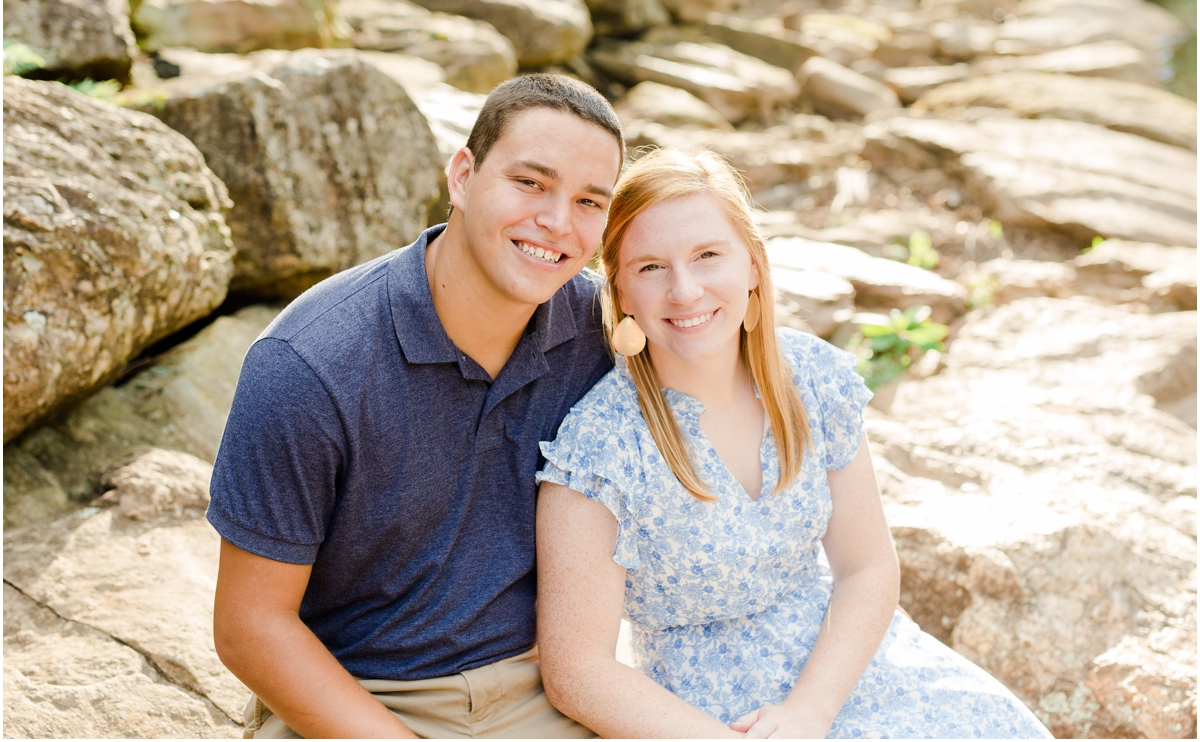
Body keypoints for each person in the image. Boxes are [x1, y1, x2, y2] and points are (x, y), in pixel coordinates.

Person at [535, 148, 1053, 739]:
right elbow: (579, 670)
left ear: (753, 265)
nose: (684, 290)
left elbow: (865, 567)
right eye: (650, 267)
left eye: (708, 256)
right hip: (710, 716)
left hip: (847, 667)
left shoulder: (812, 380)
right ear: (620, 290)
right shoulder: (599, 449)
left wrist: (813, 711)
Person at [206, 74, 624, 738]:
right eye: (530, 184)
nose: (557, 222)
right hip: (358, 701)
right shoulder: (310, 364)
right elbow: (249, 627)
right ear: (462, 177)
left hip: (542, 693)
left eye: (589, 201)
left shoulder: (604, 333)